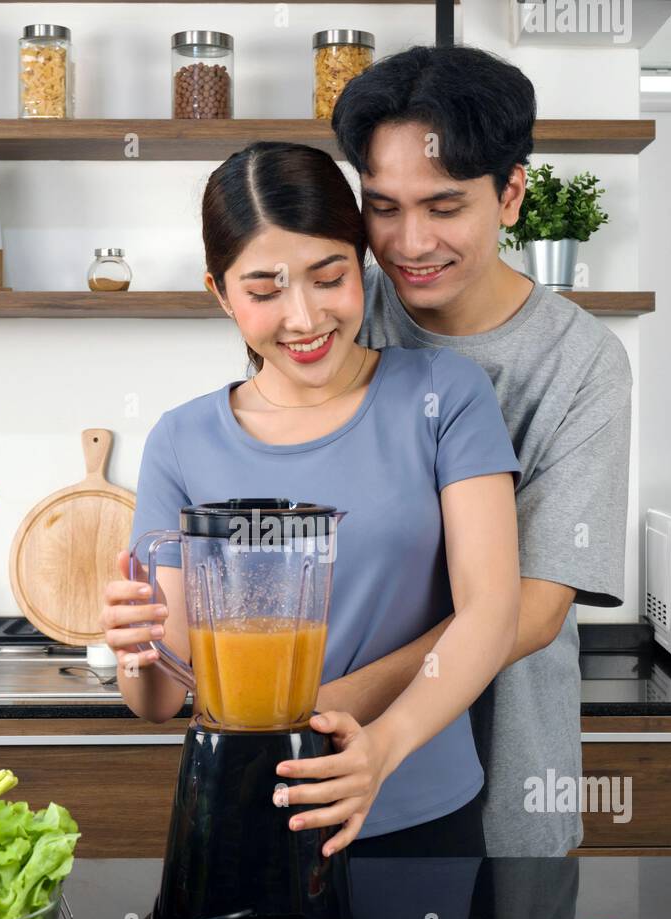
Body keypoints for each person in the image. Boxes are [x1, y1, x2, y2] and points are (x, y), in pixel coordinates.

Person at [100, 141, 522, 858]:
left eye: (330, 278)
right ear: (220, 292)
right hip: (244, 815)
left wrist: (379, 751)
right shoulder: (180, 439)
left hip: (422, 812)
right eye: (264, 291)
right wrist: (135, 648)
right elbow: (160, 701)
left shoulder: (446, 395)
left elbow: (492, 609)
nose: (303, 317)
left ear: (362, 263)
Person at [320, 44, 634, 857]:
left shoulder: (581, 361)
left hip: (509, 775)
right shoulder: (332, 315)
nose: (409, 240)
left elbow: (530, 610)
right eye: (382, 207)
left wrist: (328, 701)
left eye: (444, 205)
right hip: (327, 781)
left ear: (512, 194)